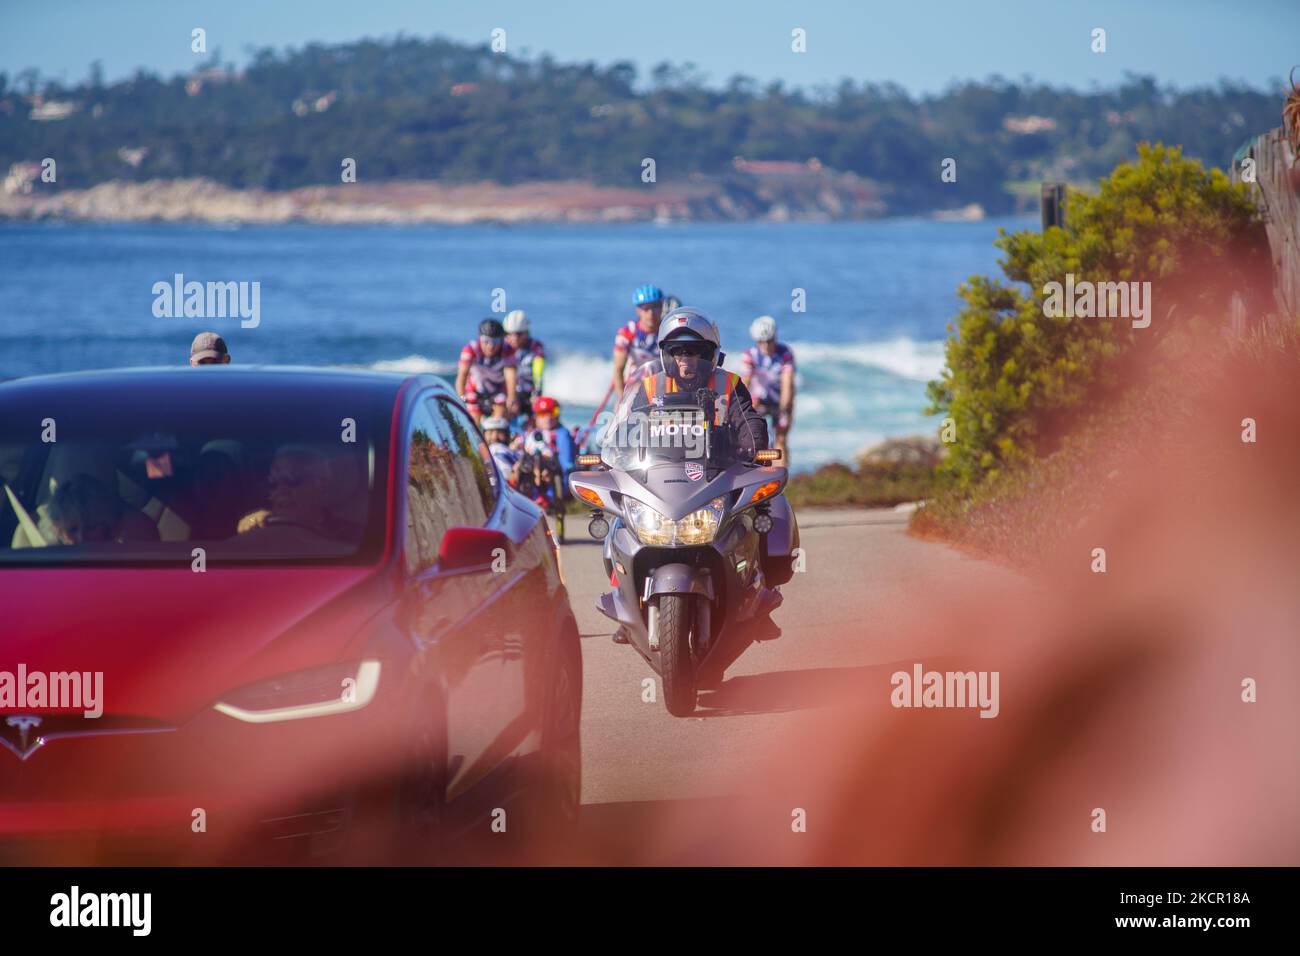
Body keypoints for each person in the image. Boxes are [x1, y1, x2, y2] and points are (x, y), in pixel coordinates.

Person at [620, 307, 769, 463]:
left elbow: (747, 420)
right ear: (669, 355)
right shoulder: (651, 386)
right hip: (658, 474)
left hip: (718, 473)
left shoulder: (729, 384)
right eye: (677, 350)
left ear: (706, 354)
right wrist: (619, 447)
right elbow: (631, 426)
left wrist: (753, 446)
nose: (684, 357)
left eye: (692, 350)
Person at [739, 316, 797, 463]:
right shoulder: (749, 355)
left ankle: (783, 476)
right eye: (761, 342)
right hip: (758, 400)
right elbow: (745, 381)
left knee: (781, 438)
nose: (765, 346)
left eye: (769, 341)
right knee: (757, 438)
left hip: (780, 400)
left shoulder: (785, 353)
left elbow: (787, 382)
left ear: (775, 338)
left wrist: (784, 408)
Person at [455, 318, 518, 422]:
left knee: (499, 420)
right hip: (475, 390)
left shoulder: (508, 350)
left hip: (497, 391)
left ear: (502, 339)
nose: (491, 346)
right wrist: (461, 399)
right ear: (480, 338)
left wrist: (512, 398)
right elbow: (462, 376)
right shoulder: (471, 349)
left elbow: (510, 376)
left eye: (495, 341)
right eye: (486, 341)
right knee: (473, 421)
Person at [611, 284, 665, 399]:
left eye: (655, 307)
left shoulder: (668, 332)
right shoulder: (627, 332)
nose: (651, 313)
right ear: (638, 311)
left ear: (661, 307)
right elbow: (618, 369)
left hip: (662, 388)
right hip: (634, 389)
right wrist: (621, 400)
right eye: (646, 308)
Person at [503, 310, 545, 409]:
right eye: (510, 334)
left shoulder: (536, 347)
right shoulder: (502, 347)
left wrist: (537, 393)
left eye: (518, 334)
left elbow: (538, 373)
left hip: (528, 394)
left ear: (526, 333)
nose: (514, 338)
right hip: (505, 394)